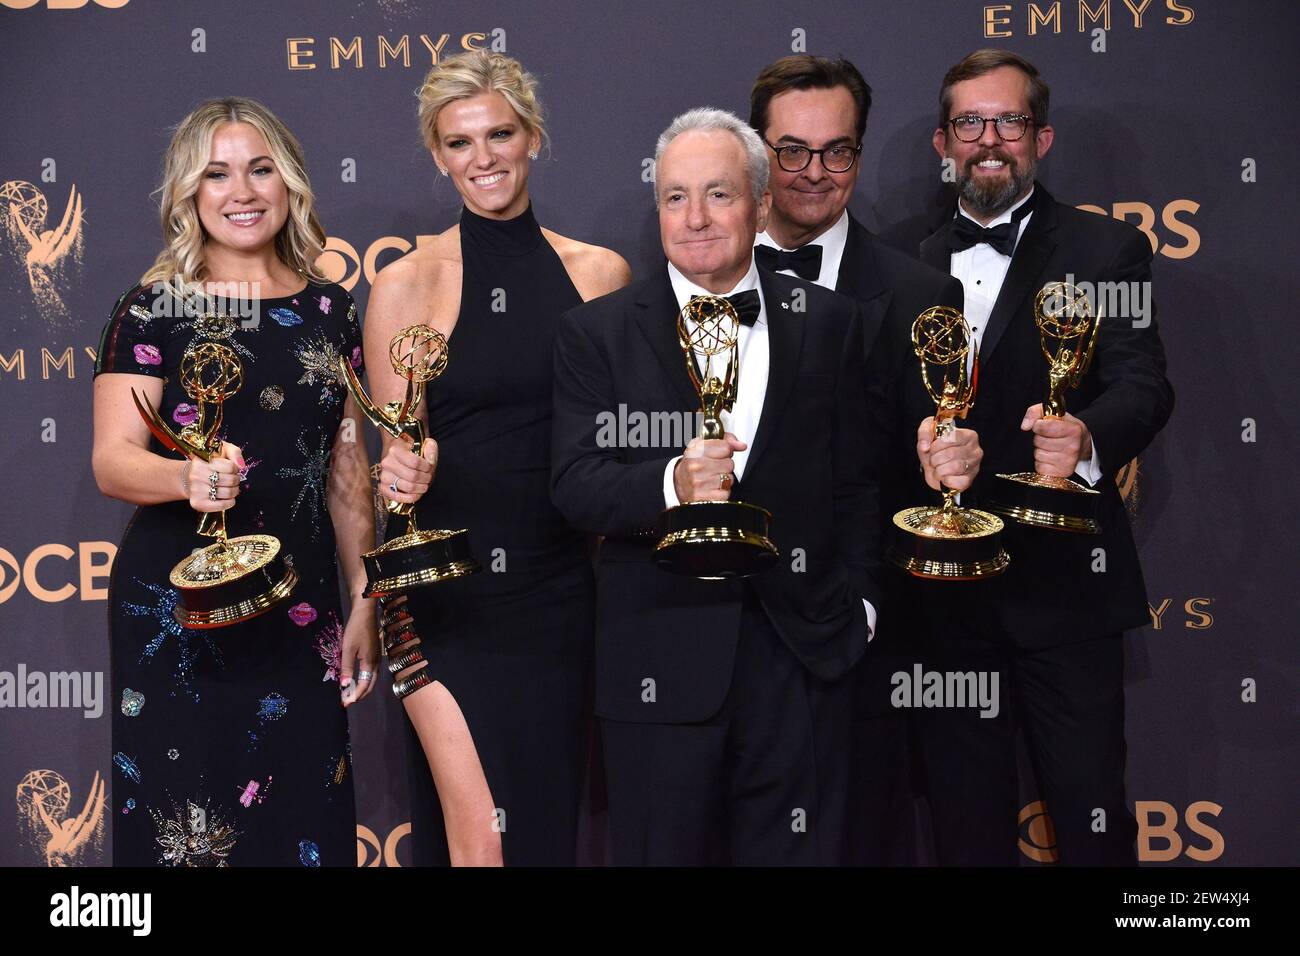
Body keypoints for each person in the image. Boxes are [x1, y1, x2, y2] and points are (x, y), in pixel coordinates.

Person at [551, 107, 878, 865]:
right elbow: (574, 485)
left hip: (802, 657)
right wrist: (671, 480)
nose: (694, 218)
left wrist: (861, 608)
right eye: (674, 197)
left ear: (762, 203)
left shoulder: (832, 324)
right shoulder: (595, 333)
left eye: (719, 195)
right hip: (658, 659)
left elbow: (861, 483)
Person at [879, 49, 1174, 865]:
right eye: (969, 123)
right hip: (942, 603)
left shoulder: (1107, 249)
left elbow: (1143, 385)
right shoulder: (892, 256)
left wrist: (1085, 438)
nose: (989, 140)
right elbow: (869, 405)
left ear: (1041, 137)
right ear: (944, 142)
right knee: (964, 832)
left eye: (1009, 121)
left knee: (1090, 823)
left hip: (1066, 595)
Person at [92, 97, 378, 867]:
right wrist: (187, 476)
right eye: (216, 174)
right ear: (189, 193)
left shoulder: (332, 310)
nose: (241, 191)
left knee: (301, 821)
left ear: (289, 183)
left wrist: (366, 597)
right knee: (182, 829)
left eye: (260, 169)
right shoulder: (152, 308)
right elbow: (112, 460)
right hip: (177, 607)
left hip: (303, 605)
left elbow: (347, 468)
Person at [365, 50, 630, 866]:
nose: (483, 158)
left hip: (560, 592)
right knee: (484, 841)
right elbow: (395, 455)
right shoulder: (406, 284)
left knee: (541, 832)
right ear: (437, 155)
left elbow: (613, 443)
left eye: (500, 134)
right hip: (445, 596)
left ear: (534, 136)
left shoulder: (602, 275)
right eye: (458, 143)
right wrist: (399, 471)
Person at [749, 53, 968, 864]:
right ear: (757, 151)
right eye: (792, 150)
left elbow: (925, 477)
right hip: (724, 633)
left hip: (862, 641)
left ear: (860, 155)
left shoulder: (920, 295)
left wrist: (948, 463)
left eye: (837, 150)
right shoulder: (697, 277)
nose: (814, 172)